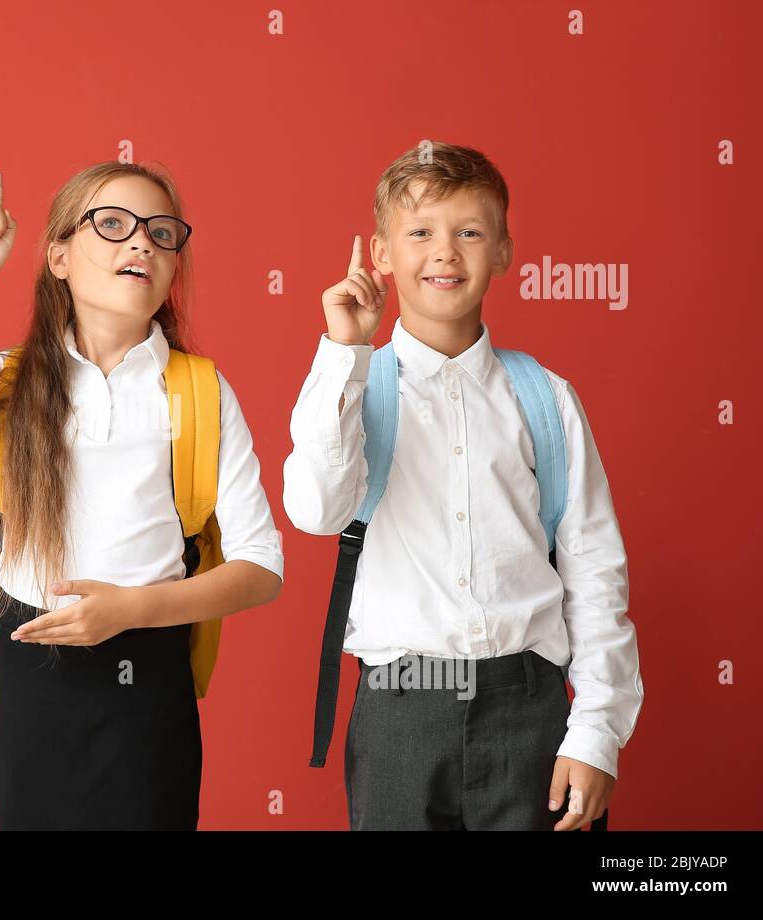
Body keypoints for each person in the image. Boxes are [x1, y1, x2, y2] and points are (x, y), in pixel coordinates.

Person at [0, 163, 284, 830]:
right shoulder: (9, 379)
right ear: (58, 256)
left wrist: (133, 609)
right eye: (113, 225)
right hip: (33, 676)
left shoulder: (199, 392)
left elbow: (262, 569)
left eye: (161, 233)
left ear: (174, 267)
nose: (140, 243)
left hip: (148, 677)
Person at [283, 141, 643, 830]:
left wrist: (597, 731)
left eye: (469, 232)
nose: (444, 253)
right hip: (399, 709)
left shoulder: (545, 398)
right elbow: (316, 512)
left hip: (530, 708)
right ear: (381, 253)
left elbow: (596, 571)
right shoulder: (348, 384)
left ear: (503, 252)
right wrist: (344, 354)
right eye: (419, 232)